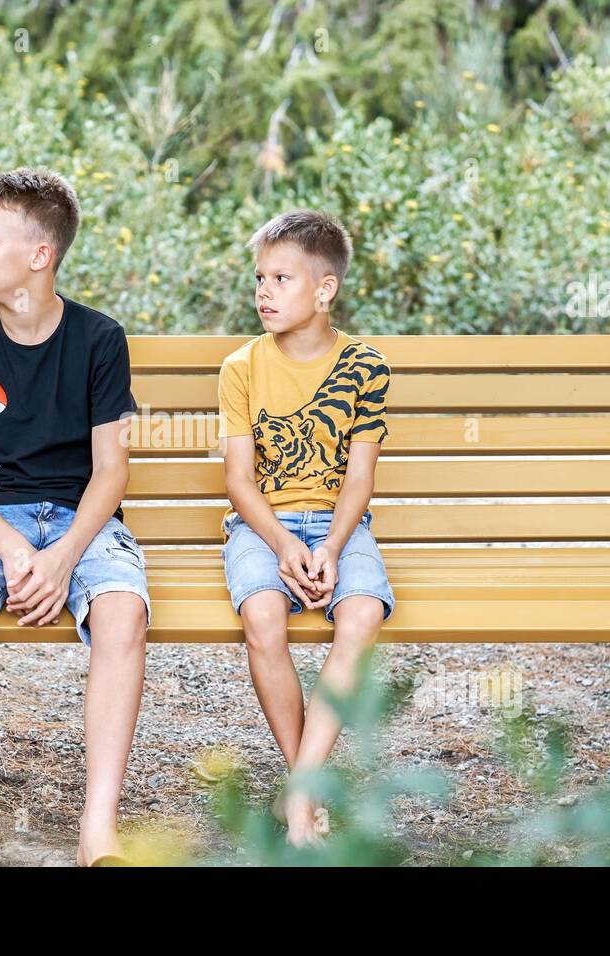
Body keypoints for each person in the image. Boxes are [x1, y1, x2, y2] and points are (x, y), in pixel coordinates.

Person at [0, 167, 149, 866]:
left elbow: (112, 471)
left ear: (39, 256)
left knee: (124, 613)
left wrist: (65, 553)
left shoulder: (101, 340)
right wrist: (13, 548)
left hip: (83, 523)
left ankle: (98, 829)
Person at [217, 209, 395, 847]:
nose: (262, 292)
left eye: (281, 279)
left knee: (362, 615)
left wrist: (330, 546)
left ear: (325, 289)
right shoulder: (241, 367)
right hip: (261, 526)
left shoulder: (366, 367)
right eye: (259, 278)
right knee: (263, 616)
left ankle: (298, 794)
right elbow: (240, 480)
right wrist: (287, 544)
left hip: (340, 527)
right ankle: (307, 796)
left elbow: (358, 480)